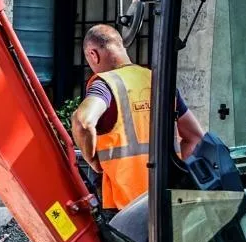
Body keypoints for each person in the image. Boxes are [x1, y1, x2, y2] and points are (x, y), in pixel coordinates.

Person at [71, 24, 205, 212]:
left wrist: (92, 160)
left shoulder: (106, 85)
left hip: (126, 209)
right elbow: (196, 137)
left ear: (93, 54)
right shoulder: (159, 82)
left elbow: (82, 121)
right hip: (167, 204)